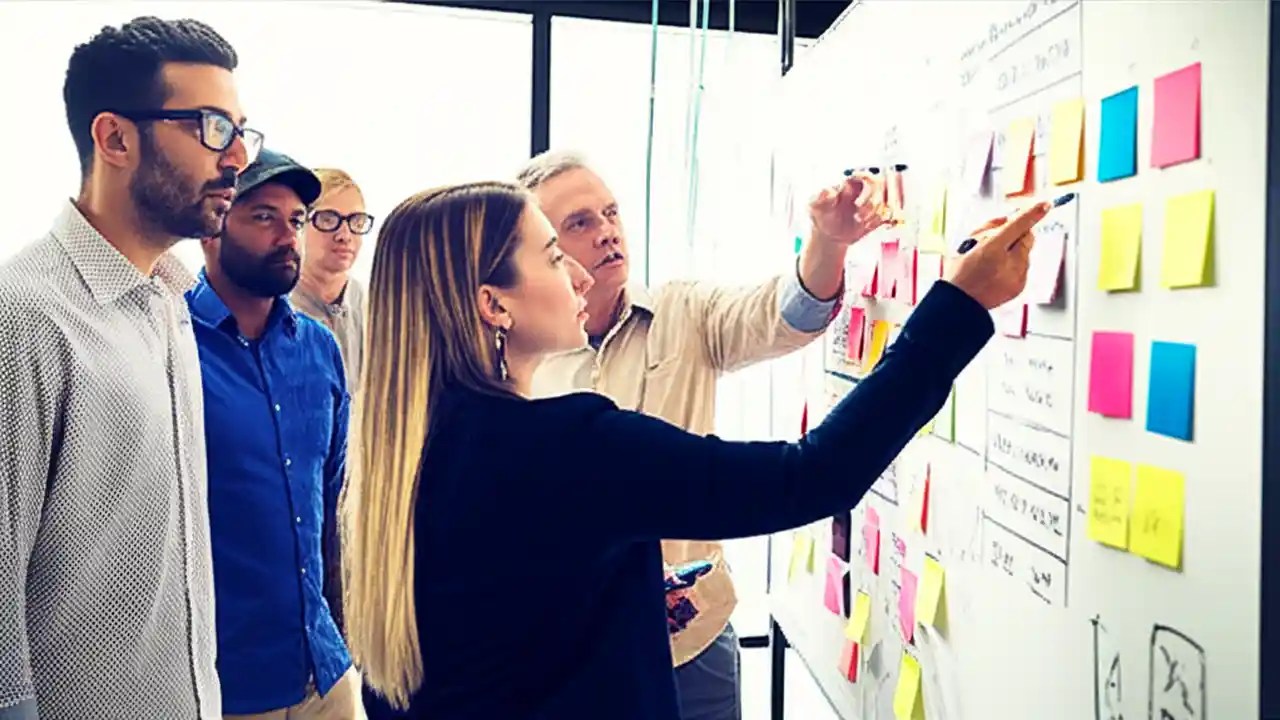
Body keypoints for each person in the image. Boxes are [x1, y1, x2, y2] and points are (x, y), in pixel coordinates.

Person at [345, 177, 1051, 719]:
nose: (583, 275)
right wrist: (958, 305)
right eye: (557, 255)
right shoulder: (565, 446)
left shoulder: (398, 457)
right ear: (492, 304)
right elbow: (813, 477)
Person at [516, 150, 861, 718]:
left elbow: (788, 313)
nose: (607, 233)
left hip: (692, 635)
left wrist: (829, 242)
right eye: (580, 223)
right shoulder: (521, 353)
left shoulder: (682, 311)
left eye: (611, 214)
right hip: (579, 642)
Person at [0, 17, 256, 720]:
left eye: (240, 130)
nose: (236, 157)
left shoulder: (169, 302)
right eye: (210, 127)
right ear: (114, 138)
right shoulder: (21, 314)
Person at [188, 149, 361, 719]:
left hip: (325, 672)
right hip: (224, 683)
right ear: (212, 226)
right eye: (264, 217)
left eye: (295, 219)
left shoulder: (319, 348)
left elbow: (333, 503)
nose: (288, 236)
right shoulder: (171, 342)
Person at [293, 168, 372, 396]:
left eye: (356, 221)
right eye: (328, 220)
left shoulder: (377, 309)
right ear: (299, 224)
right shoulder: (273, 311)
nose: (345, 235)